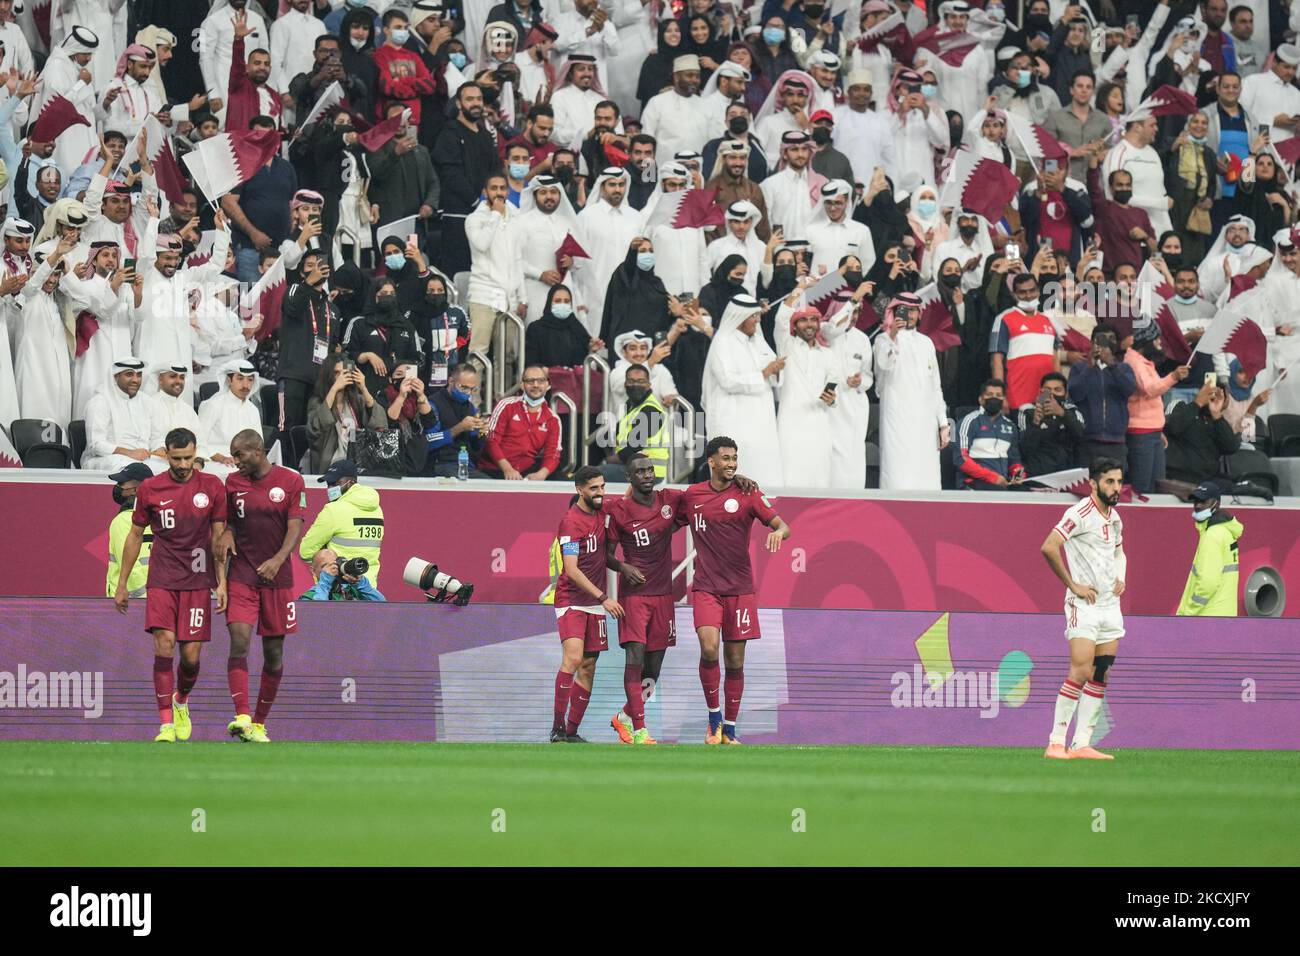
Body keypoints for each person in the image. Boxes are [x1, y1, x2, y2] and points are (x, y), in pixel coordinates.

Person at [112, 427, 229, 744]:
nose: (182, 464)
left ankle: (181, 701)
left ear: (196, 453)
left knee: (190, 658)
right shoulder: (150, 488)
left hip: (197, 581)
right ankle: (165, 723)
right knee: (164, 645)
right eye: (176, 458)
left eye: (188, 457)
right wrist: (121, 584)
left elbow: (219, 538)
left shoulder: (212, 487)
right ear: (166, 454)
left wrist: (222, 583)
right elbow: (135, 535)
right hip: (162, 579)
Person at [675, 436, 790, 744]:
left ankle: (730, 729)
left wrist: (778, 532)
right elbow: (662, 516)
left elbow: (783, 525)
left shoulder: (748, 493)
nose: (731, 463)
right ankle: (713, 720)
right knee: (709, 647)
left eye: (734, 458)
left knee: (735, 662)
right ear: (711, 461)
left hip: (740, 589)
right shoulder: (692, 495)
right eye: (725, 458)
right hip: (707, 588)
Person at [217, 429, 305, 744]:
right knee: (239, 640)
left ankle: (259, 723)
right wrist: (227, 531)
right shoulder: (232, 483)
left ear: (257, 451)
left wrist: (279, 560)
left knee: (274, 654)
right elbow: (227, 521)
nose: (235, 461)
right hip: (242, 574)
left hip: (277, 580)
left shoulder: (292, 481)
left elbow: (295, 527)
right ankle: (241, 715)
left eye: (239, 455)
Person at [1039, 456, 1127, 760]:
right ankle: (1055, 742)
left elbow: (1120, 552)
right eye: (1109, 482)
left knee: (1101, 672)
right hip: (1084, 605)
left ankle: (1082, 743)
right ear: (1093, 484)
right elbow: (1049, 546)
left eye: (1118, 481)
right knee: (1080, 669)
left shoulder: (1115, 518)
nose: (1116, 488)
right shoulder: (1079, 512)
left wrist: (1121, 577)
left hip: (1109, 605)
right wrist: (1072, 584)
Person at [604, 453, 679, 745]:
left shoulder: (668, 501)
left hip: (663, 596)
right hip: (634, 597)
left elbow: (702, 493)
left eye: (650, 470)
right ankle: (639, 730)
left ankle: (623, 716)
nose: (648, 475)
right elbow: (606, 555)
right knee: (634, 659)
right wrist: (623, 566)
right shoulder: (620, 511)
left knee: (653, 670)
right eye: (641, 471)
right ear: (629, 478)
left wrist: (737, 480)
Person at [550, 466, 627, 743]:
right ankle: (557, 728)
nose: (600, 493)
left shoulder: (604, 512)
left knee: (589, 666)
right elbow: (571, 569)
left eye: (602, 487)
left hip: (593, 603)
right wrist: (604, 597)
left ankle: (571, 731)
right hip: (572, 600)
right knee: (572, 658)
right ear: (579, 489)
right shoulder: (570, 522)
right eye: (594, 488)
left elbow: (631, 496)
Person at [701, 294, 784, 488]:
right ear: (739, 317)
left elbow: (773, 372)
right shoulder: (722, 342)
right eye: (753, 316)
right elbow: (727, 380)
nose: (758, 320)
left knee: (764, 469)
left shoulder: (758, 341)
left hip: (762, 421)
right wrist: (764, 373)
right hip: (733, 418)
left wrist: (776, 371)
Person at [874, 293, 949, 491]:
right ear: (895, 311)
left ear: (919, 313)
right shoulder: (883, 340)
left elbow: (935, 385)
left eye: (914, 310)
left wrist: (943, 422)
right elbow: (883, 365)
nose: (910, 314)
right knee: (898, 475)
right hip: (897, 419)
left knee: (928, 478)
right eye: (904, 310)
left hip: (926, 423)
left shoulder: (926, 343)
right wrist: (893, 335)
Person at [773, 304, 837, 488]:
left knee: (819, 474)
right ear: (794, 324)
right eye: (803, 320)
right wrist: (799, 290)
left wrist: (831, 399)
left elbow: (834, 390)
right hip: (791, 421)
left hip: (819, 422)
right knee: (791, 473)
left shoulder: (828, 354)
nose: (809, 324)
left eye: (813, 320)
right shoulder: (787, 346)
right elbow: (780, 321)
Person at [1124, 322, 1190, 493]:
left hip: (1152, 432)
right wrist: (1174, 376)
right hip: (1140, 433)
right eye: (1156, 339)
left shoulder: (1144, 362)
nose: (1160, 343)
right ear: (1146, 341)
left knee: (1158, 485)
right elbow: (1150, 389)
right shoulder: (1134, 363)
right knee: (1142, 488)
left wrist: (1158, 430)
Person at [298, 460, 386, 586]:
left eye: (335, 483)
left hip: (339, 589)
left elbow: (305, 551)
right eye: (328, 484)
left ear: (350, 483)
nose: (330, 488)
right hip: (368, 587)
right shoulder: (377, 509)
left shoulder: (333, 510)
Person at [1068, 325, 1136, 472]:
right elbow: (1075, 394)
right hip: (1088, 441)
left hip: (1116, 442)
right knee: (1086, 487)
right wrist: (1089, 367)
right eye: (1102, 339)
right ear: (1093, 343)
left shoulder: (1123, 368)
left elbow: (1129, 390)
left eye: (1112, 339)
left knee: (1114, 487)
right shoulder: (1079, 368)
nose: (1107, 343)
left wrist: (1112, 365)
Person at [990, 271, 1059, 411]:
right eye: (1022, 292)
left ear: (1039, 291)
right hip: (1018, 396)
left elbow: (1055, 358)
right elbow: (996, 361)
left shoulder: (1049, 320)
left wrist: (1060, 391)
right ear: (1014, 295)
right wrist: (1000, 396)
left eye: (1032, 290)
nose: (1028, 296)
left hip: (1047, 397)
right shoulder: (1003, 319)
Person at [479, 364, 563, 480]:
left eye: (541, 381)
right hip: (494, 470)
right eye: (530, 381)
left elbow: (553, 454)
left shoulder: (553, 419)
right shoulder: (506, 405)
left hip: (525, 472)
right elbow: (491, 440)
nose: (535, 385)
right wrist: (508, 469)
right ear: (522, 385)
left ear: (548, 385)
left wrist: (541, 475)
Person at [307, 354, 386, 475]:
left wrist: (363, 388)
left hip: (358, 464)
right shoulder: (317, 402)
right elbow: (314, 431)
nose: (341, 377)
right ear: (328, 375)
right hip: (331, 466)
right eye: (336, 373)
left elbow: (381, 425)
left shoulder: (357, 400)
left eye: (344, 373)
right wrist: (334, 389)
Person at [1176, 480, 1243, 616]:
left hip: (1207, 618)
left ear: (1216, 504)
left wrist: (1188, 613)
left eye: (1203, 501)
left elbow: (1208, 583)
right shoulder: (1225, 531)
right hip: (1223, 616)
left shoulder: (1212, 535)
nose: (1198, 505)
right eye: (1195, 501)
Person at [82, 357, 160, 473]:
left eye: (139, 375)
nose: (135, 380)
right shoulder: (100, 402)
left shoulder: (147, 402)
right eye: (129, 374)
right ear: (115, 376)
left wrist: (160, 448)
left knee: (168, 468)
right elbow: (96, 444)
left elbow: (157, 436)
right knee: (131, 468)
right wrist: (130, 453)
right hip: (106, 459)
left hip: (143, 458)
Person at [954, 379, 1027, 490]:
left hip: (1002, 483)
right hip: (972, 482)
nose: (994, 398)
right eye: (989, 395)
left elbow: (1014, 460)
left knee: (1028, 493)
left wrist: (1018, 473)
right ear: (981, 399)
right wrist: (992, 477)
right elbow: (960, 459)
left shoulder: (1010, 426)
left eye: (998, 395)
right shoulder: (969, 421)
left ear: (1004, 400)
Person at [1164, 379, 1241, 484]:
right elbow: (1172, 428)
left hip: (1206, 480)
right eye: (1209, 393)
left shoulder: (1219, 423)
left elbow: (1231, 447)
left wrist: (1216, 414)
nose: (1213, 398)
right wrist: (1198, 403)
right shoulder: (1182, 408)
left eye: (1219, 396)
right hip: (1178, 476)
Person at [196, 361, 263, 474]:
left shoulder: (253, 410)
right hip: (216, 463)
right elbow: (199, 441)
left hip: (246, 463)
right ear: (229, 380)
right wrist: (222, 458)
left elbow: (258, 443)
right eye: (240, 379)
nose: (246, 385)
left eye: (250, 380)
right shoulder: (213, 405)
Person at [1020, 372, 1085, 478]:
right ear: (1040, 392)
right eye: (1047, 390)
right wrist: (1036, 423)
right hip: (1037, 475)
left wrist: (1061, 413)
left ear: (1066, 394)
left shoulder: (1071, 410)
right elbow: (1024, 449)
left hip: (1065, 476)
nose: (1052, 394)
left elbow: (1081, 437)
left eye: (1057, 390)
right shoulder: (1027, 410)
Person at [105, 462, 154, 600]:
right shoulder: (161, 517)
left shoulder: (122, 521)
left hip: (126, 607)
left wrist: (146, 599)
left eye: (121, 483)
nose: (117, 487)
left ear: (137, 490)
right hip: (154, 604)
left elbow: (130, 569)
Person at [301, 548, 386, 602]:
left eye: (335, 565)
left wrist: (362, 584)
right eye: (325, 566)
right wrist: (325, 583)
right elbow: (315, 616)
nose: (332, 570)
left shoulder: (353, 592)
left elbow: (383, 607)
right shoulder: (309, 597)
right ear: (313, 570)